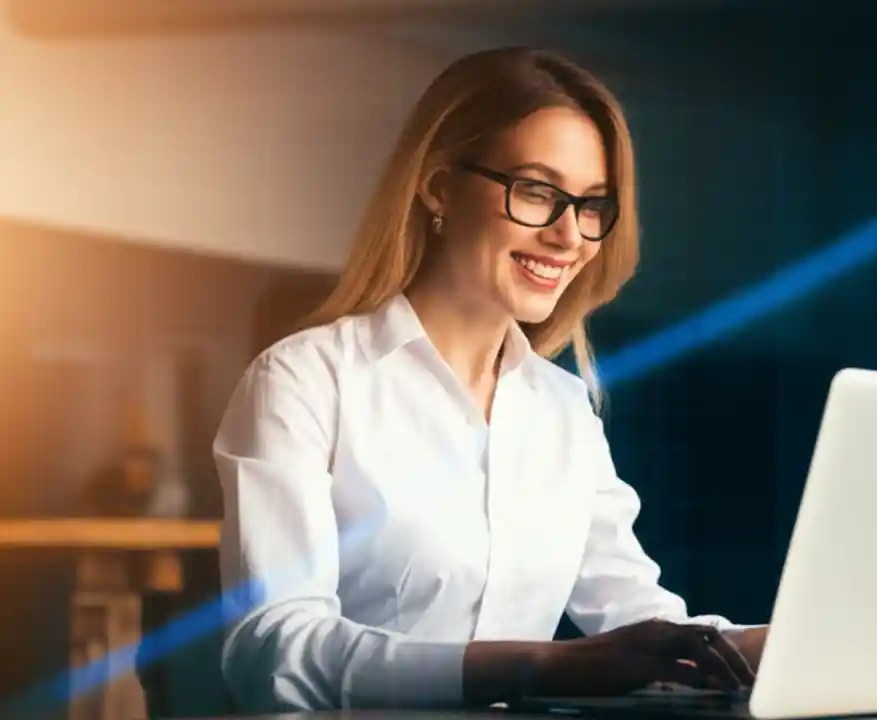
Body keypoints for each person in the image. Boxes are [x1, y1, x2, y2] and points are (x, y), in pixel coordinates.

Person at [213, 46, 768, 712]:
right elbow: (276, 652)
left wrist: (810, 643)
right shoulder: (305, 381)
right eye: (537, 191)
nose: (570, 236)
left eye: (591, 205)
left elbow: (639, 618)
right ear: (439, 186)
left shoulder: (563, 410)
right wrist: (540, 665)